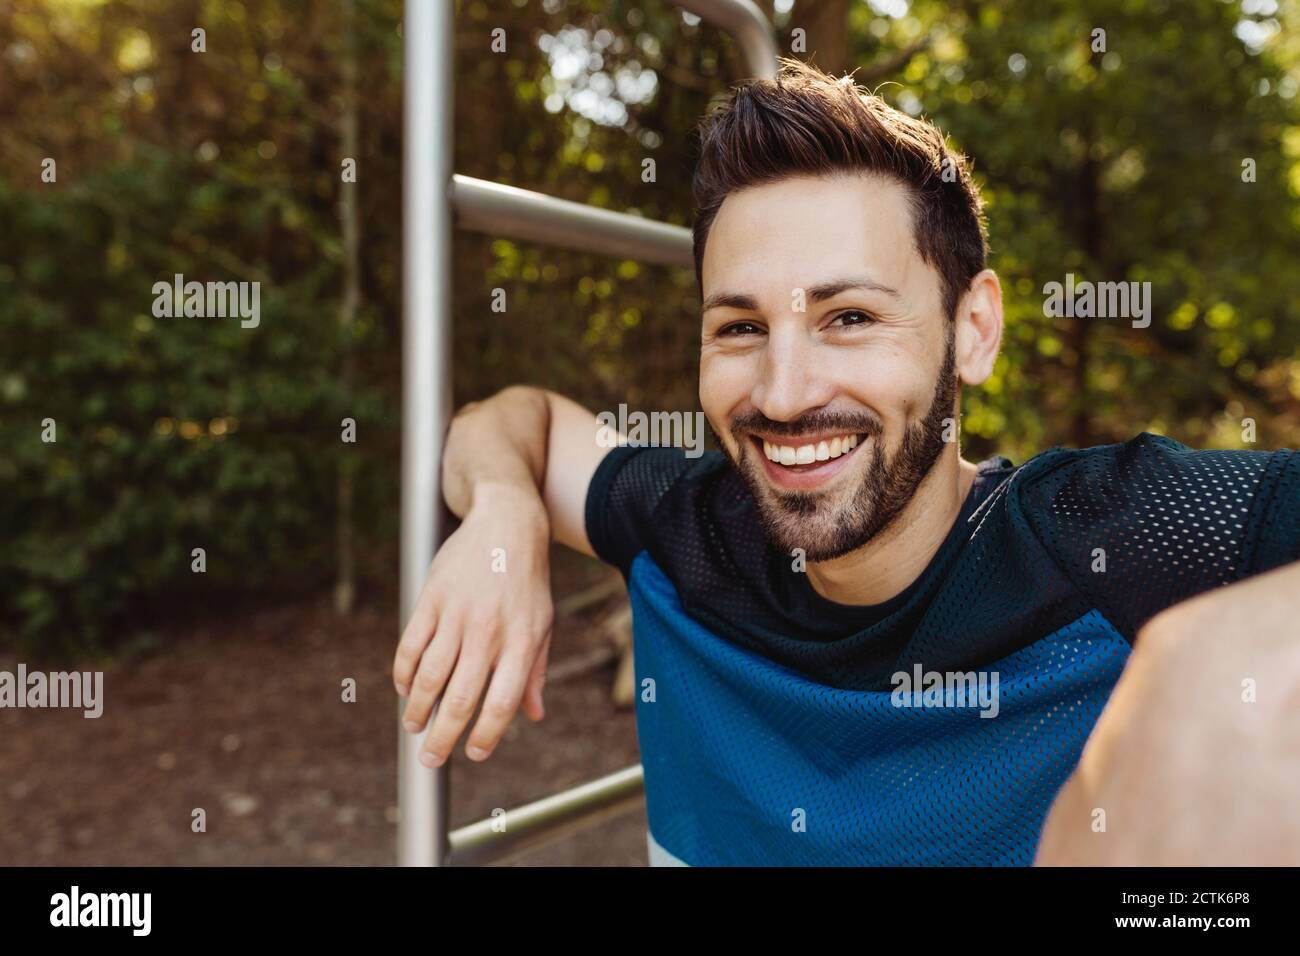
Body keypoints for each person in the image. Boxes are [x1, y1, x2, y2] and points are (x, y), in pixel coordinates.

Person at [392, 59, 1300, 866]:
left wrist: (1206, 662)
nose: (784, 395)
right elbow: (516, 422)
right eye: (741, 328)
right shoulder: (686, 529)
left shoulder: (1125, 535)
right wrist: (504, 514)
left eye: (850, 318)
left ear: (972, 329)